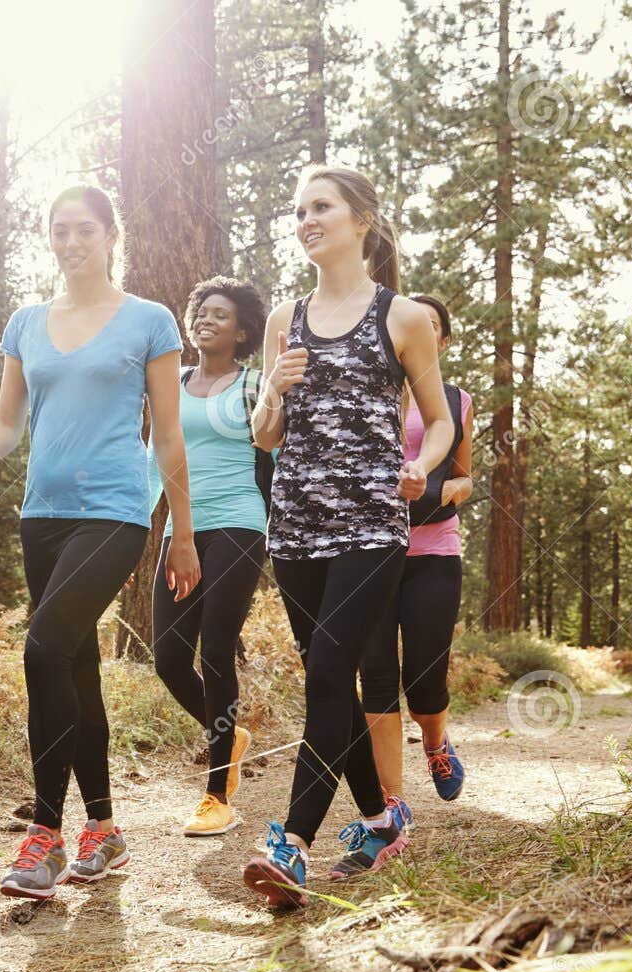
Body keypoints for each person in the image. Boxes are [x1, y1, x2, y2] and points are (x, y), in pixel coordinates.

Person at [0, 185, 200, 900]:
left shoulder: (149, 319)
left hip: (114, 510)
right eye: (59, 231)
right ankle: (106, 830)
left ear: (111, 234)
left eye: (85, 229)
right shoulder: (26, 321)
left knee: (42, 646)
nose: (71, 241)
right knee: (76, 667)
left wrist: (179, 528)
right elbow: (6, 425)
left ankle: (46, 836)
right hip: (43, 514)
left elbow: (169, 433)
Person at [241, 166, 453, 909]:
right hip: (295, 523)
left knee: (330, 669)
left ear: (361, 218)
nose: (306, 220)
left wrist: (421, 465)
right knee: (327, 679)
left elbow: (442, 418)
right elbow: (265, 437)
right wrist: (274, 390)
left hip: (370, 522)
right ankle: (379, 818)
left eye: (321, 207)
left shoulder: (401, 317)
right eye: (298, 209)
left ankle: (290, 844)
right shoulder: (284, 320)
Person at [147, 276, 270, 836]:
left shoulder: (252, 385)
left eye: (220, 315)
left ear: (242, 330)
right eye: (200, 311)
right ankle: (230, 733)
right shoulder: (168, 381)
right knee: (170, 658)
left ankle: (217, 792)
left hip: (240, 525)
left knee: (216, 649)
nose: (205, 320)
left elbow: (273, 456)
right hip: (182, 531)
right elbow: (153, 457)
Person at [362, 292, 473, 820]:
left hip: (433, 549)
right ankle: (390, 800)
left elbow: (465, 473)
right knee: (377, 672)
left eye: (432, 327)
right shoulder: (369, 391)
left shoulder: (455, 400)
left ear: (441, 342)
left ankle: (434, 745)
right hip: (371, 548)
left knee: (425, 675)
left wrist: (452, 490)